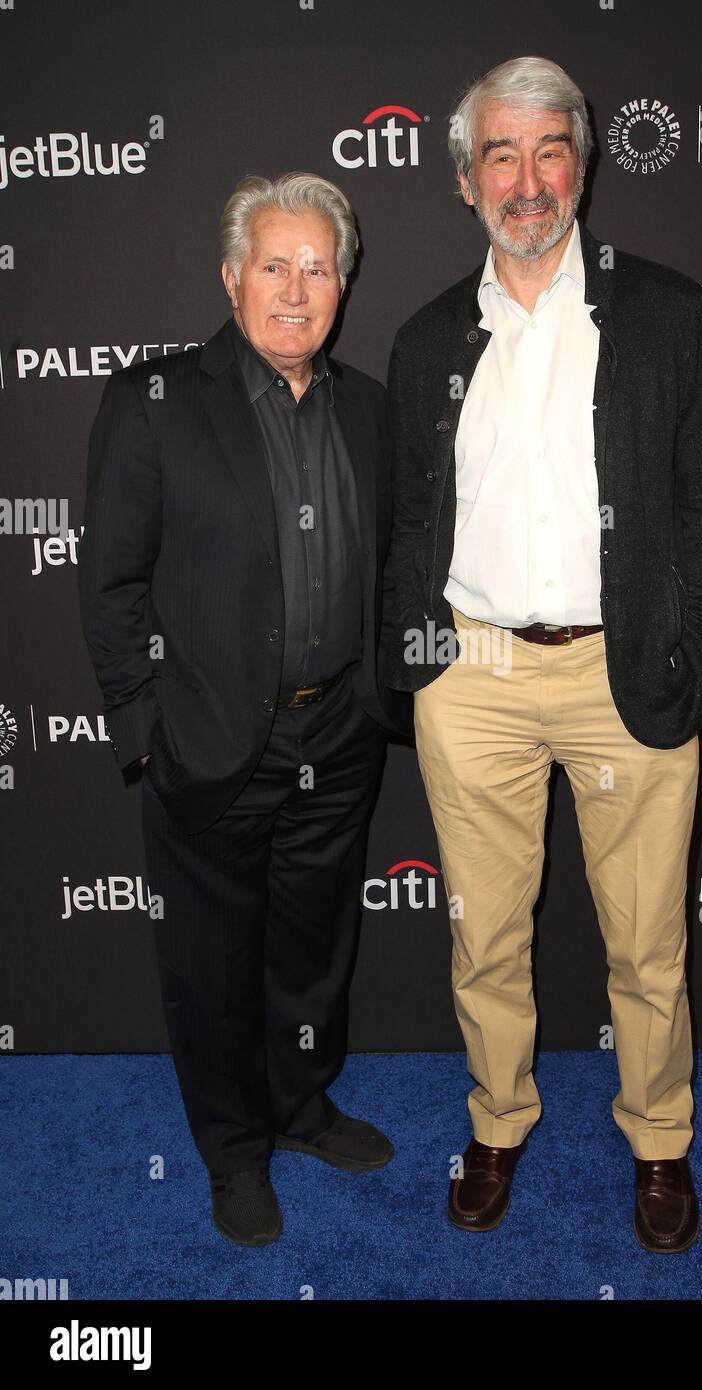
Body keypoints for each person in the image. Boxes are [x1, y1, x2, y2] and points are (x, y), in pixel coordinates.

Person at [381, 56, 702, 1251]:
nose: (527, 178)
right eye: (501, 153)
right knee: (483, 931)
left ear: (583, 167)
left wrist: (681, 645)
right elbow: (407, 513)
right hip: (475, 677)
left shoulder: (667, 313)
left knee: (644, 937)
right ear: (463, 180)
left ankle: (659, 1141)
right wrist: (425, 663)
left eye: (550, 150)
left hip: (622, 669)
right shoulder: (429, 336)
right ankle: (497, 1119)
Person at [79, 171, 410, 1247]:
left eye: (319, 267)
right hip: (209, 740)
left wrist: (379, 695)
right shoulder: (153, 402)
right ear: (231, 277)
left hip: (340, 732)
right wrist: (145, 734)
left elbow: (397, 562)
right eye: (275, 264)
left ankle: (302, 1109)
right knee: (212, 961)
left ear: (344, 285)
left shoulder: (369, 408)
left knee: (312, 950)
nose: (297, 288)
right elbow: (111, 585)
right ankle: (232, 1151)